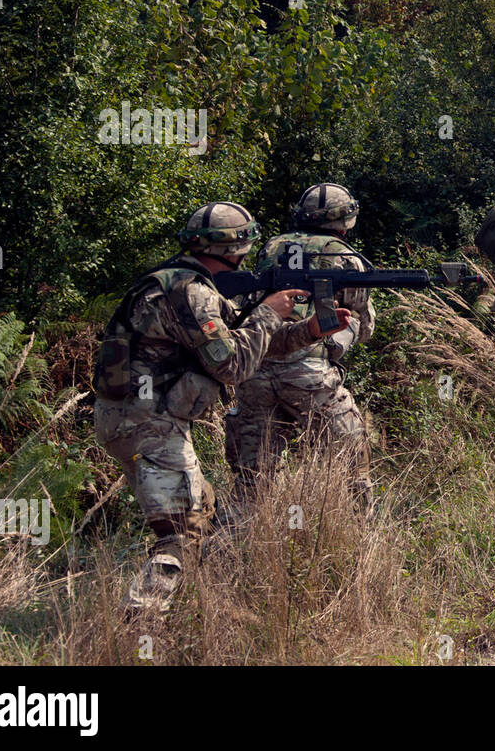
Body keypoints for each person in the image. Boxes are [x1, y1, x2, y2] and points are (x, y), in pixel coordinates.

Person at [92, 202, 347, 612]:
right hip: (150, 425)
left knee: (204, 512)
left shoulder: (181, 284)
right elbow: (233, 366)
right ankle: (138, 621)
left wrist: (310, 330)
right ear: (236, 250)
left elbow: (246, 343)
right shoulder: (192, 293)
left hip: (129, 419)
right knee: (182, 532)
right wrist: (268, 310)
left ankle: (211, 607)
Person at [223, 183, 377, 515]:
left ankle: (232, 552)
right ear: (346, 221)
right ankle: (361, 536)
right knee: (351, 463)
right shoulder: (344, 255)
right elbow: (361, 322)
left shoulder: (272, 246)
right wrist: (335, 342)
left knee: (252, 481)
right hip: (309, 375)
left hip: (256, 371)